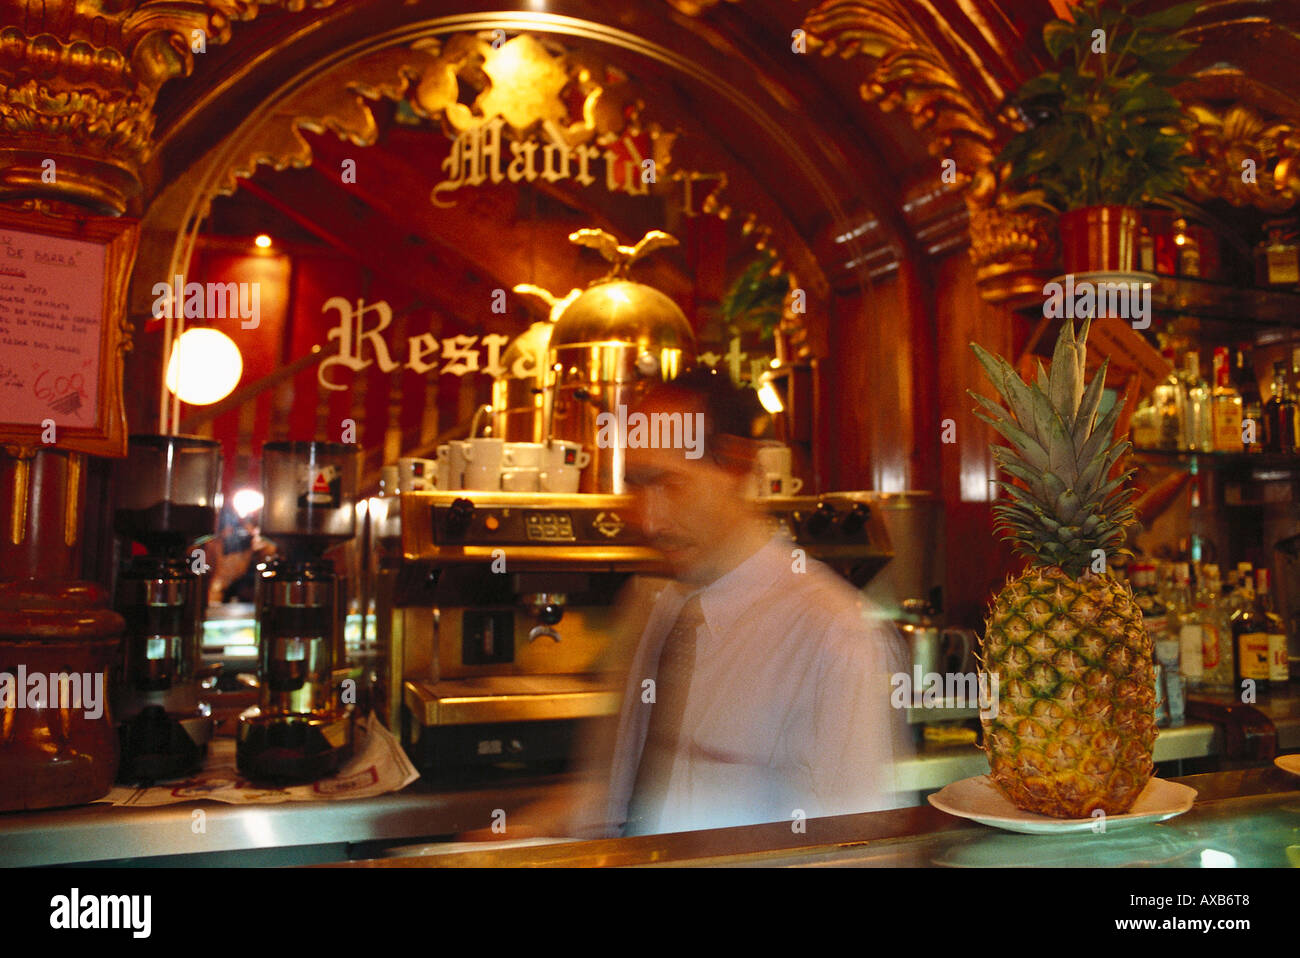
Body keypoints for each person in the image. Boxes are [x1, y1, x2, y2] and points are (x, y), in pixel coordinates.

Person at [558, 366, 913, 838]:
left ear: (736, 467)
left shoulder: (833, 634)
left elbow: (859, 847)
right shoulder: (651, 601)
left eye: (671, 484)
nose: (649, 519)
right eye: (637, 485)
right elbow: (609, 793)